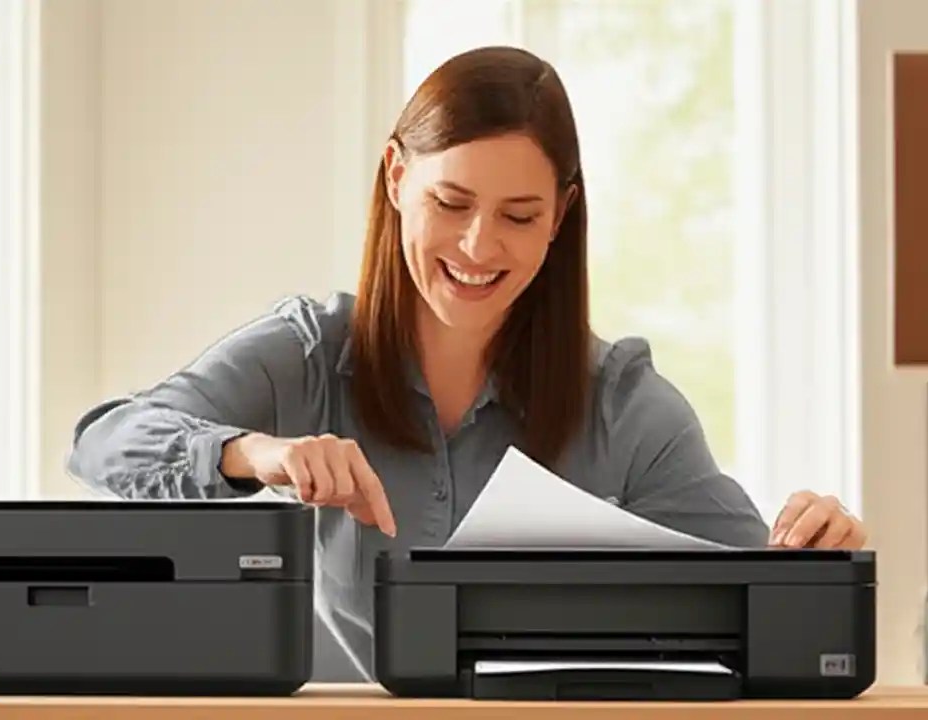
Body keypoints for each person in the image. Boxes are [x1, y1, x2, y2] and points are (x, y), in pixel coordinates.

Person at [67, 46, 867, 680]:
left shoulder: (623, 404)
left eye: (519, 216)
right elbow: (103, 441)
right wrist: (255, 453)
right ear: (395, 176)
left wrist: (818, 559)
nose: (479, 247)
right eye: (451, 205)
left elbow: (757, 600)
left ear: (561, 217)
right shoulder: (309, 354)